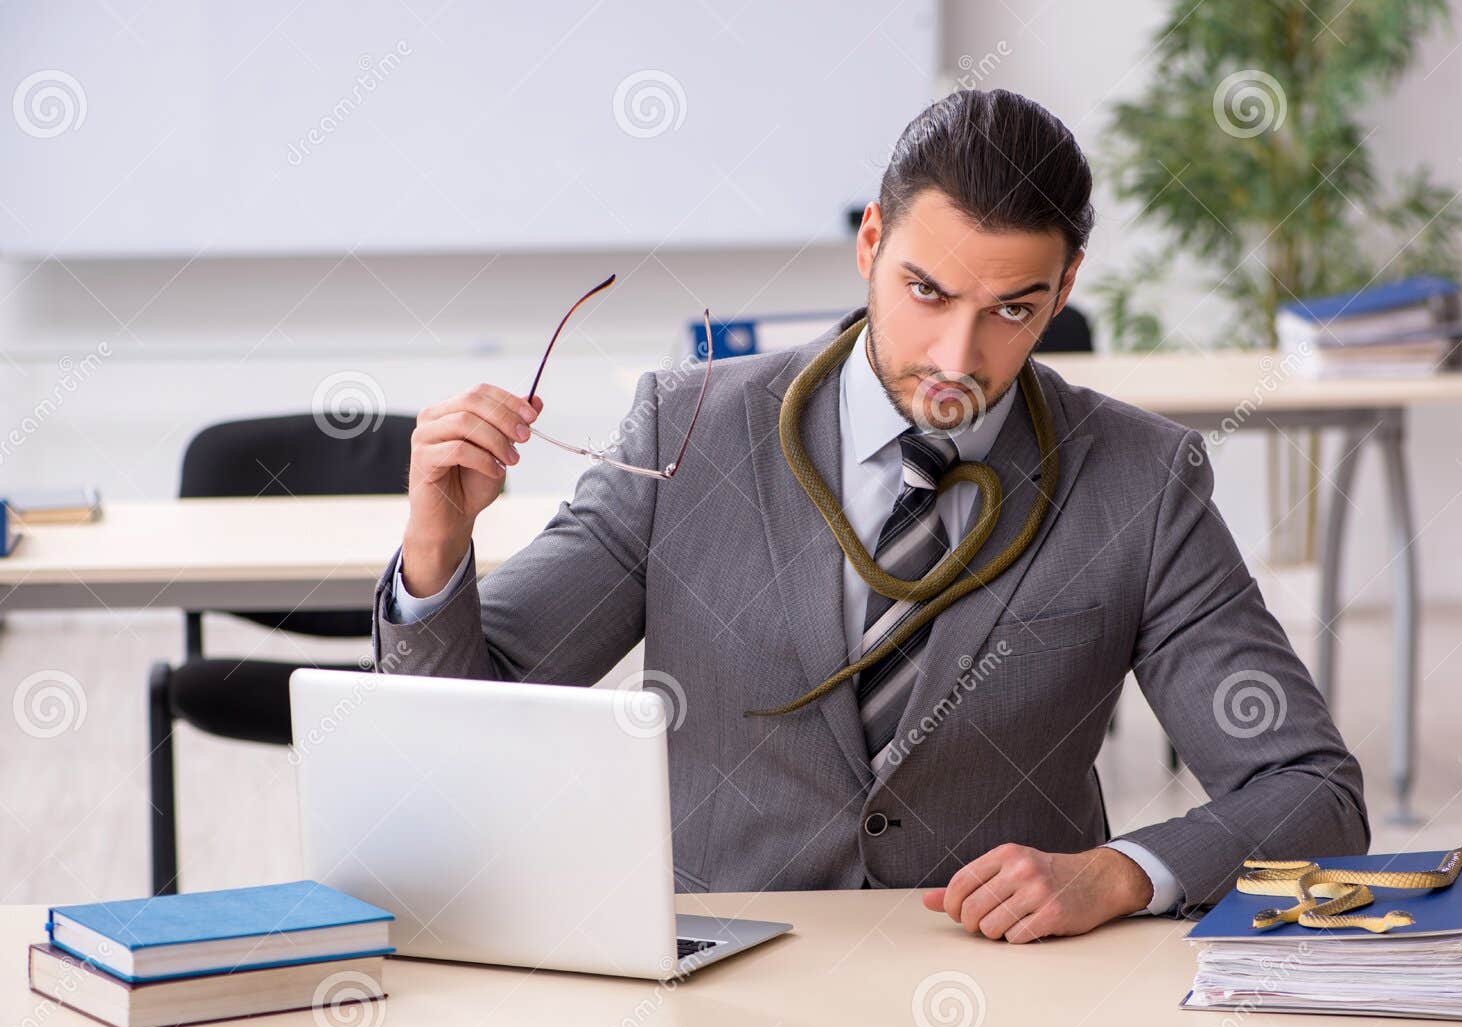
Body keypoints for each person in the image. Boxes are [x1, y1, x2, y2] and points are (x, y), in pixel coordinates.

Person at [372, 87, 1368, 942]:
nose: (952, 354)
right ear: (870, 243)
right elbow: (468, 721)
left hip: (1002, 983)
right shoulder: (689, 429)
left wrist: (1115, 873)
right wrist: (437, 541)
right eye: (924, 292)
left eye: (1011, 311)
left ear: (1064, 289)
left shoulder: (1138, 481)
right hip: (719, 969)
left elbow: (1309, 790)